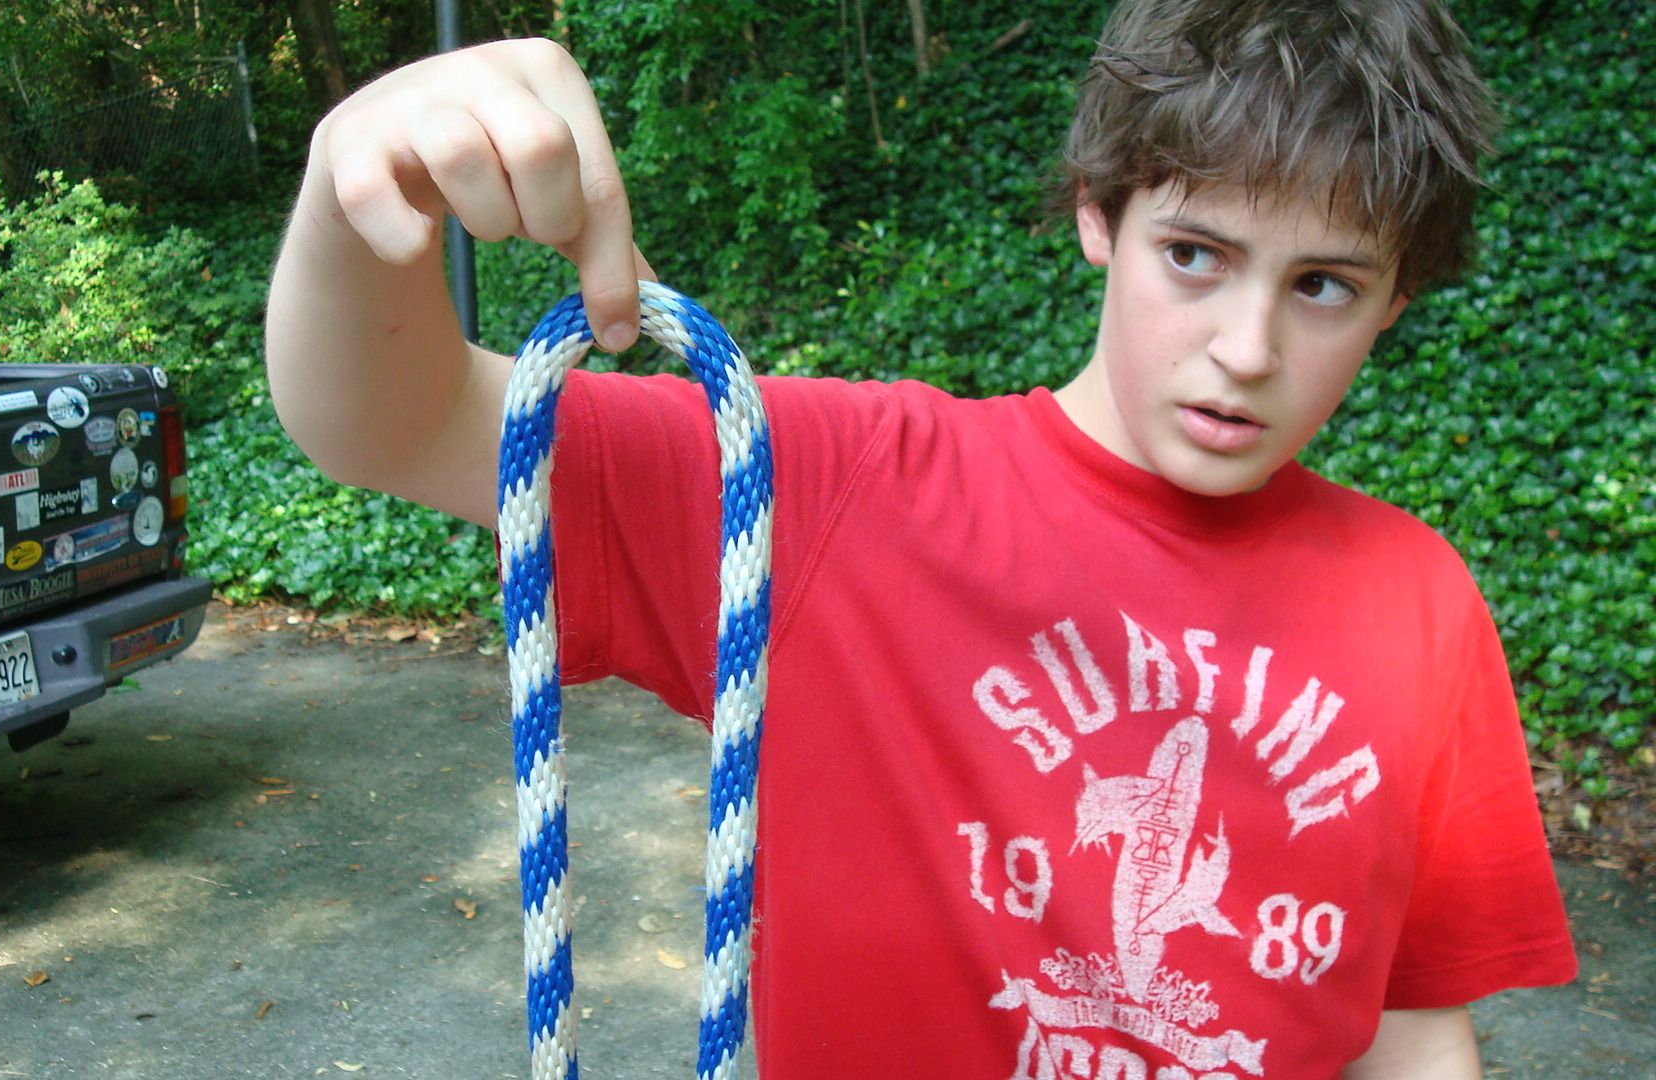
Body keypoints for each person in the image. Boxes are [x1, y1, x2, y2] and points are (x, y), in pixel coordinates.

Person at [264, 1, 1577, 1075]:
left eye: (1324, 286)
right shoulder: (845, 487)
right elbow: (401, 419)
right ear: (1097, 215)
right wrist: (355, 177)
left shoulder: (1420, 605)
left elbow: (1410, 1024)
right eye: (1194, 254)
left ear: (1395, 298)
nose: (1247, 349)